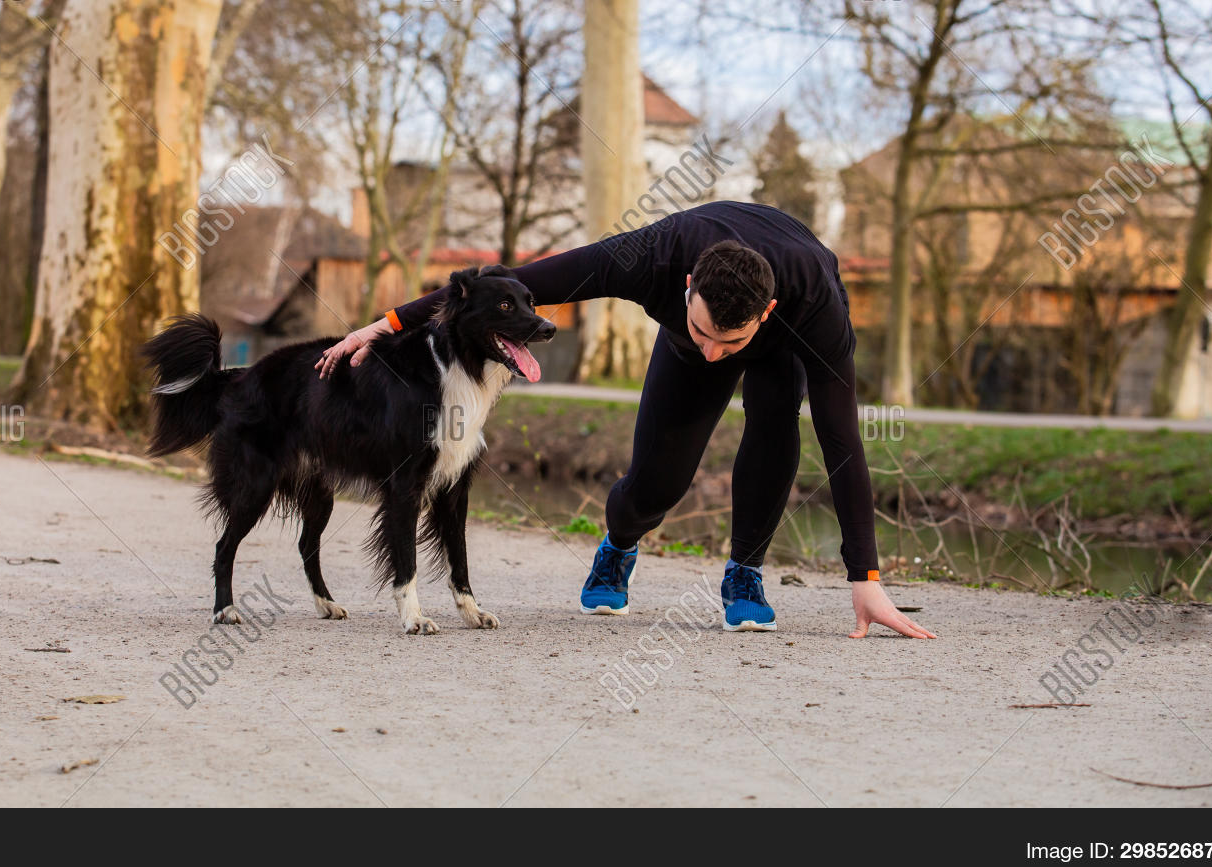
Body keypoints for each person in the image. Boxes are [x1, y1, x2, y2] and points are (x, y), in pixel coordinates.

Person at [315, 201, 935, 639]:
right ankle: (618, 547)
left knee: (777, 427)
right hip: (697, 298)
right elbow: (504, 283)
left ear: (765, 311)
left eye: (729, 341)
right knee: (658, 480)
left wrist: (867, 577)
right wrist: (387, 324)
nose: (714, 352)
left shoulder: (815, 305)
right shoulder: (652, 257)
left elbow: (843, 440)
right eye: (703, 331)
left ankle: (744, 574)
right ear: (687, 286)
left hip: (788, 328)